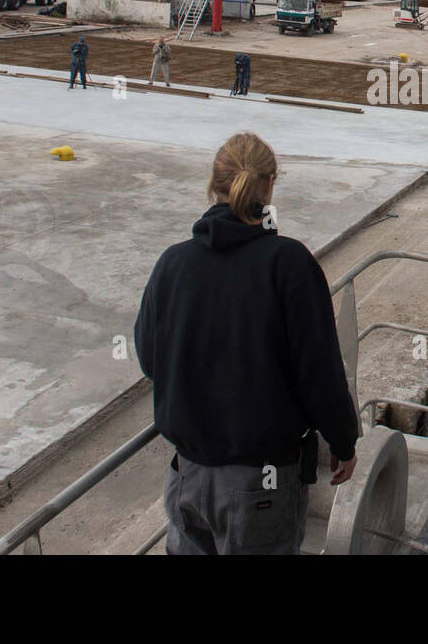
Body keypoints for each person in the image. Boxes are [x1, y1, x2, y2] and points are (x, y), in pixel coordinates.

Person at [134, 132, 360, 555]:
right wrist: (343, 442)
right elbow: (320, 373)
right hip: (263, 484)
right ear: (270, 185)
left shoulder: (172, 264)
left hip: (187, 475)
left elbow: (150, 359)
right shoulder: (289, 264)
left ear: (213, 183)